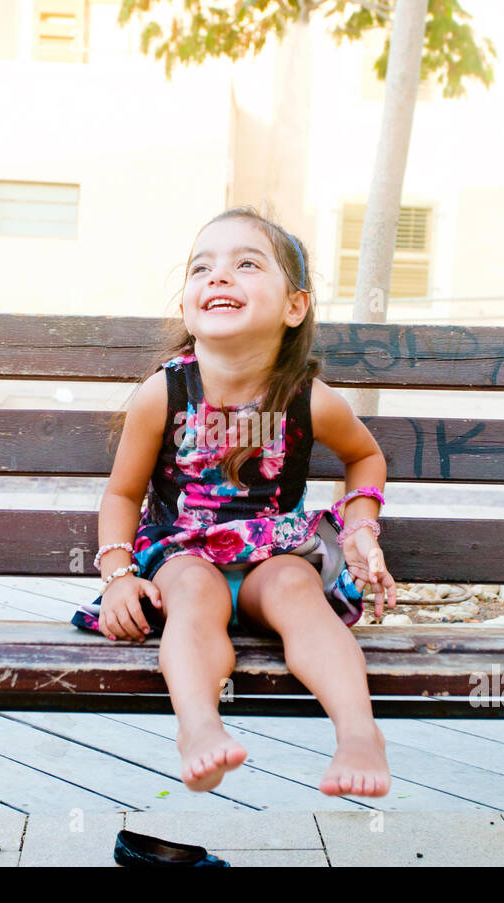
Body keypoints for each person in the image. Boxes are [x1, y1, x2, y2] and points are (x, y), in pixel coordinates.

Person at [70, 204, 397, 797]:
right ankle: (198, 728)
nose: (218, 277)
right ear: (186, 308)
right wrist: (118, 575)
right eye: (201, 268)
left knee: (300, 592)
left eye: (246, 264)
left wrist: (360, 526)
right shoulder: (163, 394)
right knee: (192, 592)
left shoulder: (308, 399)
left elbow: (365, 457)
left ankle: (358, 734)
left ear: (294, 307)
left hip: (274, 556)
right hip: (185, 558)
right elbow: (122, 493)